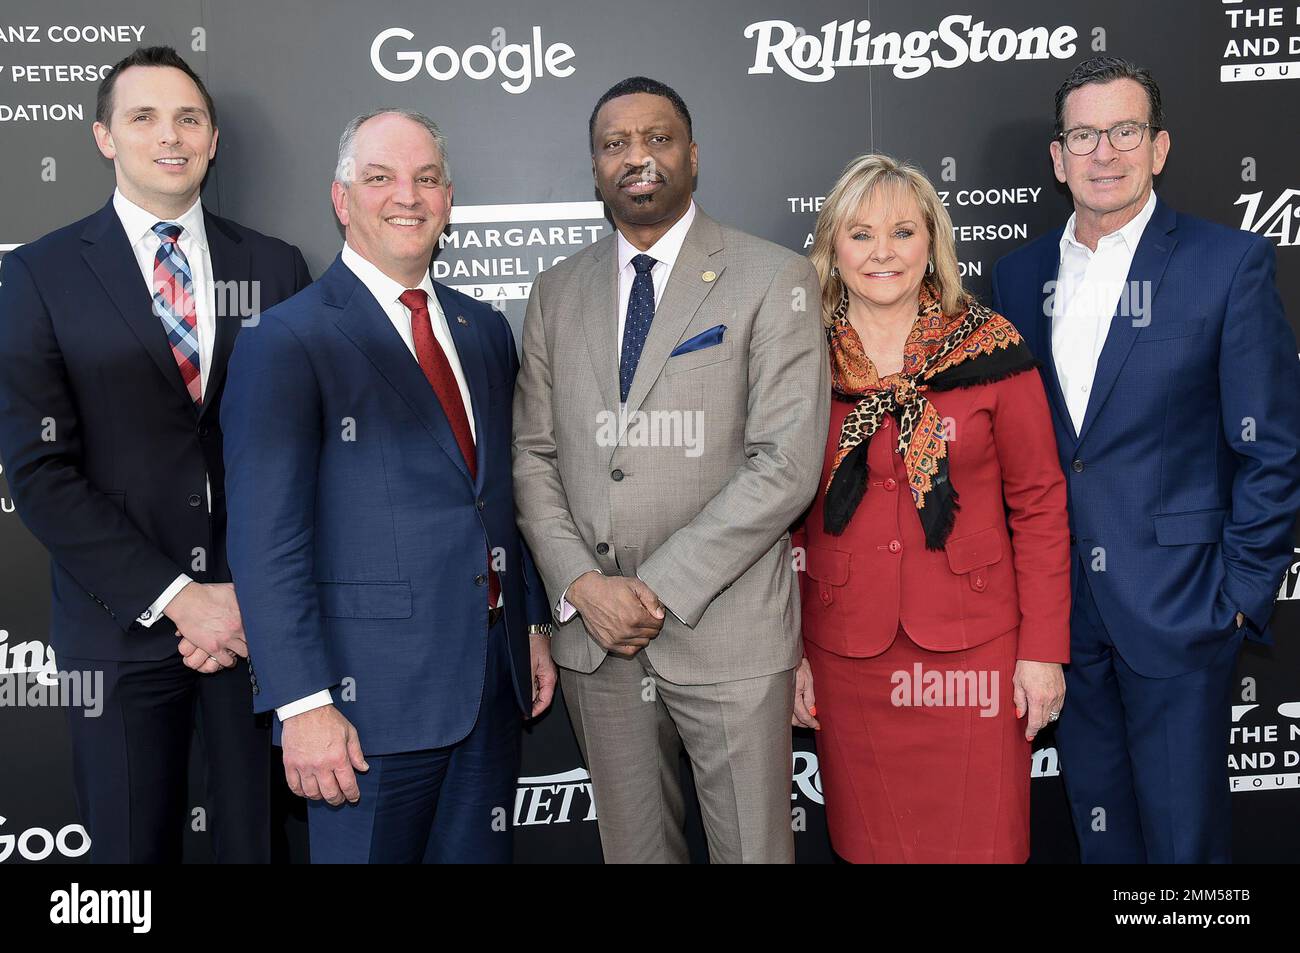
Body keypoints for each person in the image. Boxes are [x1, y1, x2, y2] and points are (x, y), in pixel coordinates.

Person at [0, 46, 311, 862]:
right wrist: (180, 598)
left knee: (260, 846)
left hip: (256, 626)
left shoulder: (275, 266)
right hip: (120, 633)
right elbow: (39, 471)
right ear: (105, 136)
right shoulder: (39, 274)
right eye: (143, 117)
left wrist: (243, 598)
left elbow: (302, 449)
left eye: (188, 118)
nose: (169, 135)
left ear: (213, 140)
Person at [221, 109, 556, 863]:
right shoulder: (287, 339)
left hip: (490, 686)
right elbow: (267, 542)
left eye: (426, 179)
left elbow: (501, 495)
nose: (407, 196)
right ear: (342, 200)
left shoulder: (482, 329)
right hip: (361, 711)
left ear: (448, 199)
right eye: (381, 178)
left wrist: (530, 623)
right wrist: (304, 703)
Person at [513, 76, 829, 864]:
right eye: (615, 143)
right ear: (596, 166)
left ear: (693, 154)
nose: (637, 156)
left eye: (657, 137)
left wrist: (650, 589)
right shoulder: (555, 292)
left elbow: (784, 464)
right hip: (597, 642)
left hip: (727, 632)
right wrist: (585, 587)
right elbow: (533, 456)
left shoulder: (772, 277)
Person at [992, 56, 1300, 863]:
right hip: (1061, 615)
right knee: (1101, 838)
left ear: (1158, 148)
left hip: (1182, 610)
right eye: (1084, 135)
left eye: (1125, 131)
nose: (1104, 152)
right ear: (1058, 157)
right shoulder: (1018, 277)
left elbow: (1271, 447)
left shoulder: (1226, 263)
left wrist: (1238, 596)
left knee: (1183, 849)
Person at [792, 154, 1070, 863]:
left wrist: (1042, 652)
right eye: (860, 234)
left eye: (902, 232)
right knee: (872, 846)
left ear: (932, 243)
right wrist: (788, 653)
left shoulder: (991, 347)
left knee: (983, 844)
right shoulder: (795, 355)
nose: (882, 252)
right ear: (832, 248)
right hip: (846, 655)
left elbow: (1039, 505)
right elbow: (776, 516)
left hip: (977, 652)